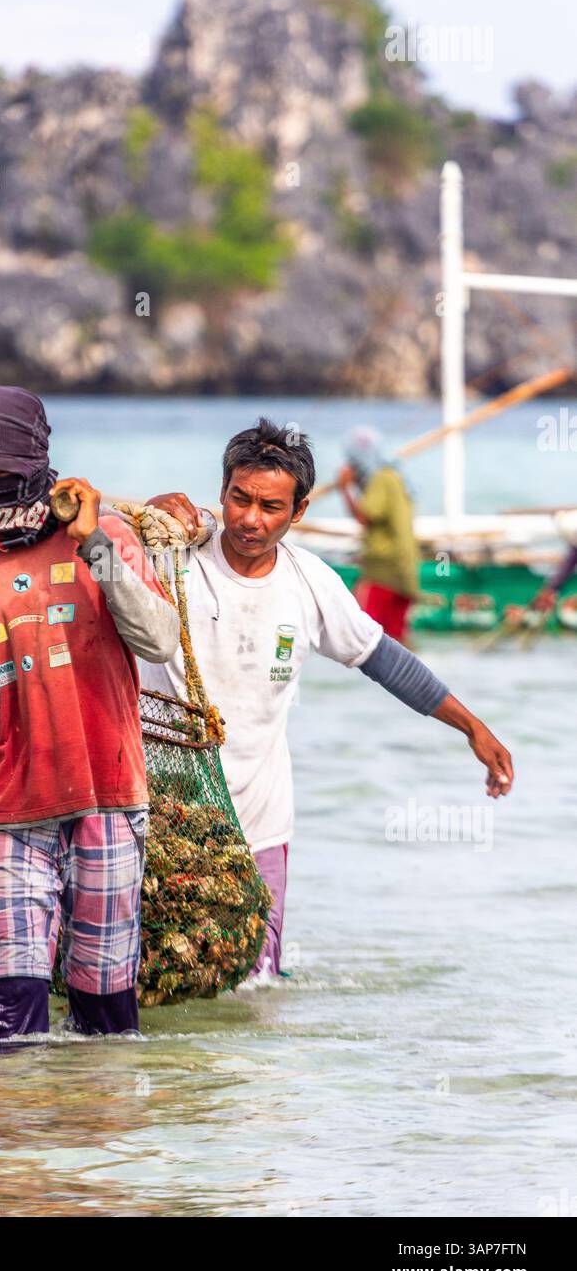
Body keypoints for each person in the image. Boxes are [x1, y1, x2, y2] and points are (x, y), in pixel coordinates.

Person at [141, 417, 514, 981]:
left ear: (300, 511)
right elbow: (87, 554)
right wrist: (142, 517)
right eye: (239, 499)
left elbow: (384, 659)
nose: (250, 519)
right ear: (221, 492)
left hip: (260, 827)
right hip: (159, 818)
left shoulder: (310, 583)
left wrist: (472, 727)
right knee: (143, 978)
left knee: (253, 988)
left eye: (270, 507)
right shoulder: (172, 555)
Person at [0, 386, 180, 1040]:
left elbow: (159, 639)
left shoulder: (106, 536)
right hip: (7, 818)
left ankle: (98, 1140)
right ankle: (12, 1132)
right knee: (12, 1029)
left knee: (106, 1023)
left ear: (34, 465)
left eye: (0, 477)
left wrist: (93, 547)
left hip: (108, 805)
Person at [337, 426, 419, 645]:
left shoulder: (381, 479)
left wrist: (344, 488)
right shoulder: (396, 477)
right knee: (397, 640)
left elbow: (366, 516)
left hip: (382, 571)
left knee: (362, 638)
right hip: (405, 571)